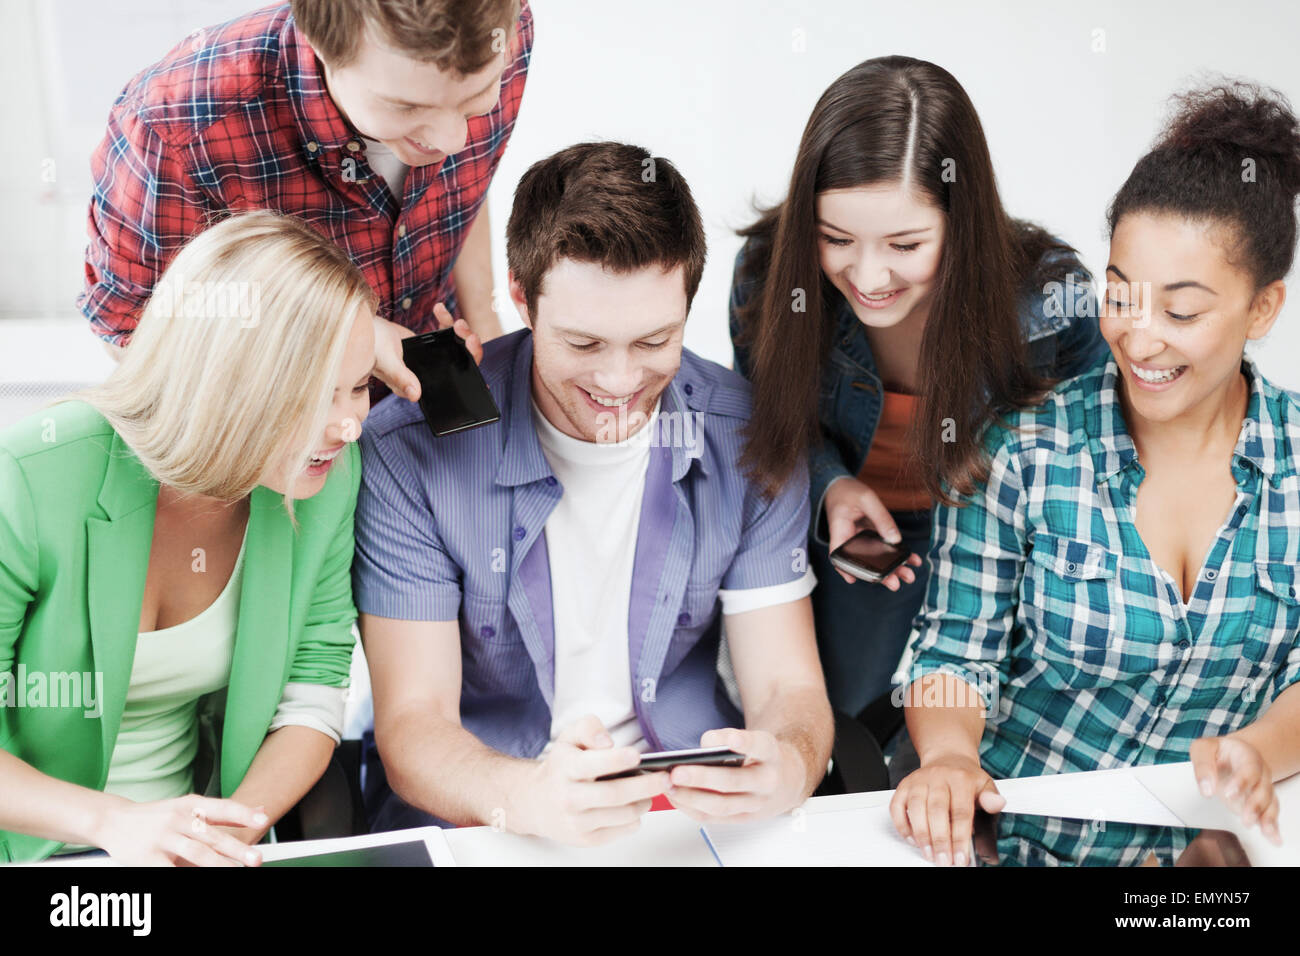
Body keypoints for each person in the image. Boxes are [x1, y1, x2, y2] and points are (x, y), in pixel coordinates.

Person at [353, 142, 834, 844]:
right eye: (583, 344)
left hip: (688, 819)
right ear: (519, 296)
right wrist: (527, 796)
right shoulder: (411, 447)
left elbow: (787, 691)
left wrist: (789, 763)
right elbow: (413, 724)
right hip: (488, 813)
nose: (618, 382)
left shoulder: (750, 438)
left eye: (653, 341)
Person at [891, 80, 1300, 866]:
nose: (1140, 339)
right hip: (1012, 844)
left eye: (1181, 313)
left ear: (1263, 309)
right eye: (1120, 297)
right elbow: (953, 655)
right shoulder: (1022, 447)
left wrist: (1259, 751)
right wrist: (947, 758)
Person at [729, 56, 1107, 722]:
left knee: (1005, 727)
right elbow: (765, 416)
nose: (869, 275)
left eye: (905, 244)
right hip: (863, 543)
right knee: (844, 722)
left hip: (998, 538)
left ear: (962, 219)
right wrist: (829, 486)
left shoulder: (1050, 297)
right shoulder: (768, 274)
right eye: (835, 238)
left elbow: (1100, 444)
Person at [0, 211, 376, 864]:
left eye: (360, 387)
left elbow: (312, 695)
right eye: (320, 395)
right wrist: (115, 824)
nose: (349, 427)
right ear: (225, 385)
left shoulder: (325, 481)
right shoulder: (36, 474)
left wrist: (223, 836)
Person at [78, 0, 531, 396]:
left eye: (475, 100)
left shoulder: (501, 34)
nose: (453, 140)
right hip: (276, 421)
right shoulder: (172, 128)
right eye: (407, 107)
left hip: (434, 384)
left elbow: (461, 191)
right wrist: (347, 338)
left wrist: (490, 336)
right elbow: (130, 335)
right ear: (319, 39)